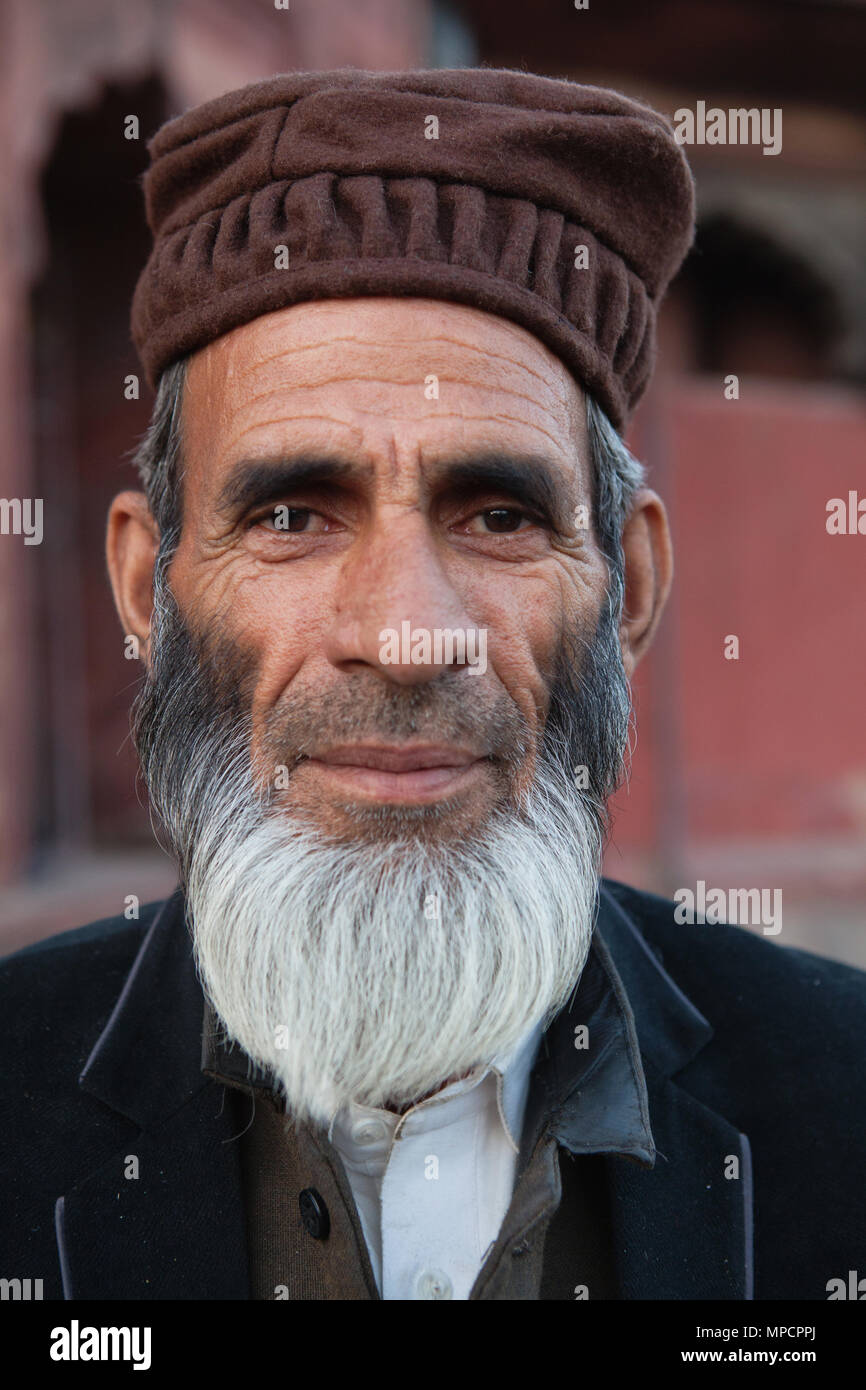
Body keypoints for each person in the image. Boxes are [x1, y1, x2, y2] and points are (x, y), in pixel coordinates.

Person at [2, 67, 863, 1301]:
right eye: (293, 514)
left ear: (625, 590)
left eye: (498, 515)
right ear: (150, 590)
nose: (405, 637)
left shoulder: (841, 1092)